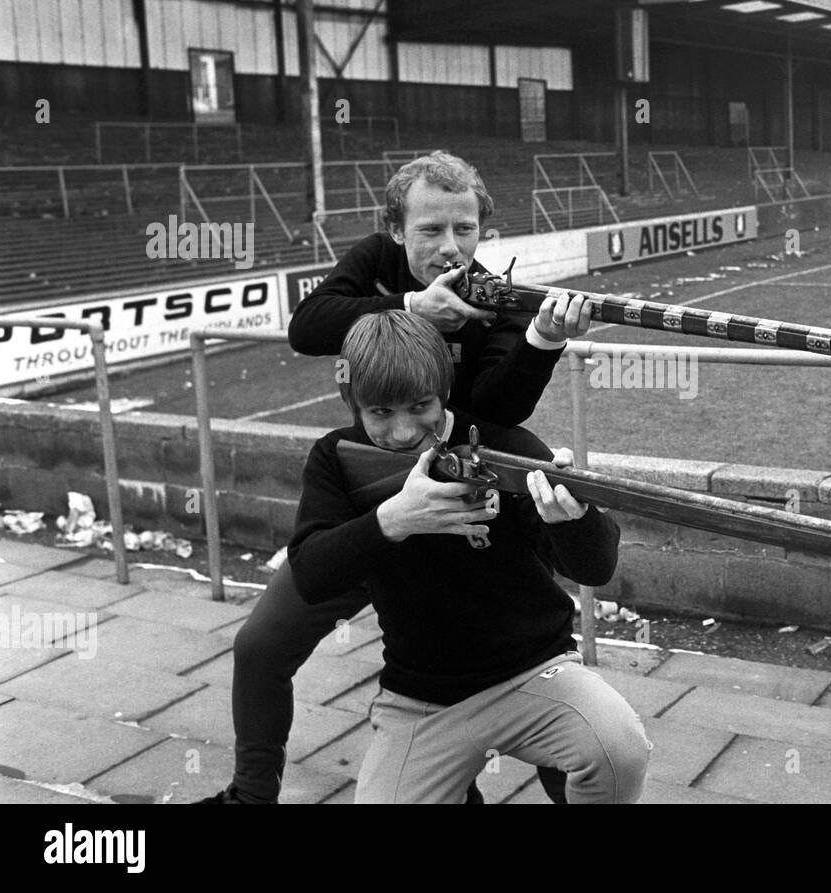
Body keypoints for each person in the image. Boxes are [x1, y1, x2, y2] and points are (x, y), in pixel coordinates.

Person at [202, 151, 589, 804]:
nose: (450, 247)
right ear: (396, 229)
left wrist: (542, 341)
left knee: (526, 658)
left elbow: (500, 410)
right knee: (261, 646)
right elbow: (307, 325)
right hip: (365, 496)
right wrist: (411, 308)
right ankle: (249, 796)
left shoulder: (495, 295)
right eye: (430, 230)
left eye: (464, 229)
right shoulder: (375, 263)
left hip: (461, 495)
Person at [289, 310, 649, 803]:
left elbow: (594, 567)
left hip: (536, 671)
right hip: (420, 697)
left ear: (443, 390)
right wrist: (393, 519)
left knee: (619, 748)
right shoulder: (337, 458)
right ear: (351, 401)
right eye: (379, 413)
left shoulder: (502, 446)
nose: (401, 432)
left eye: (420, 406)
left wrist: (573, 519)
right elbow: (310, 574)